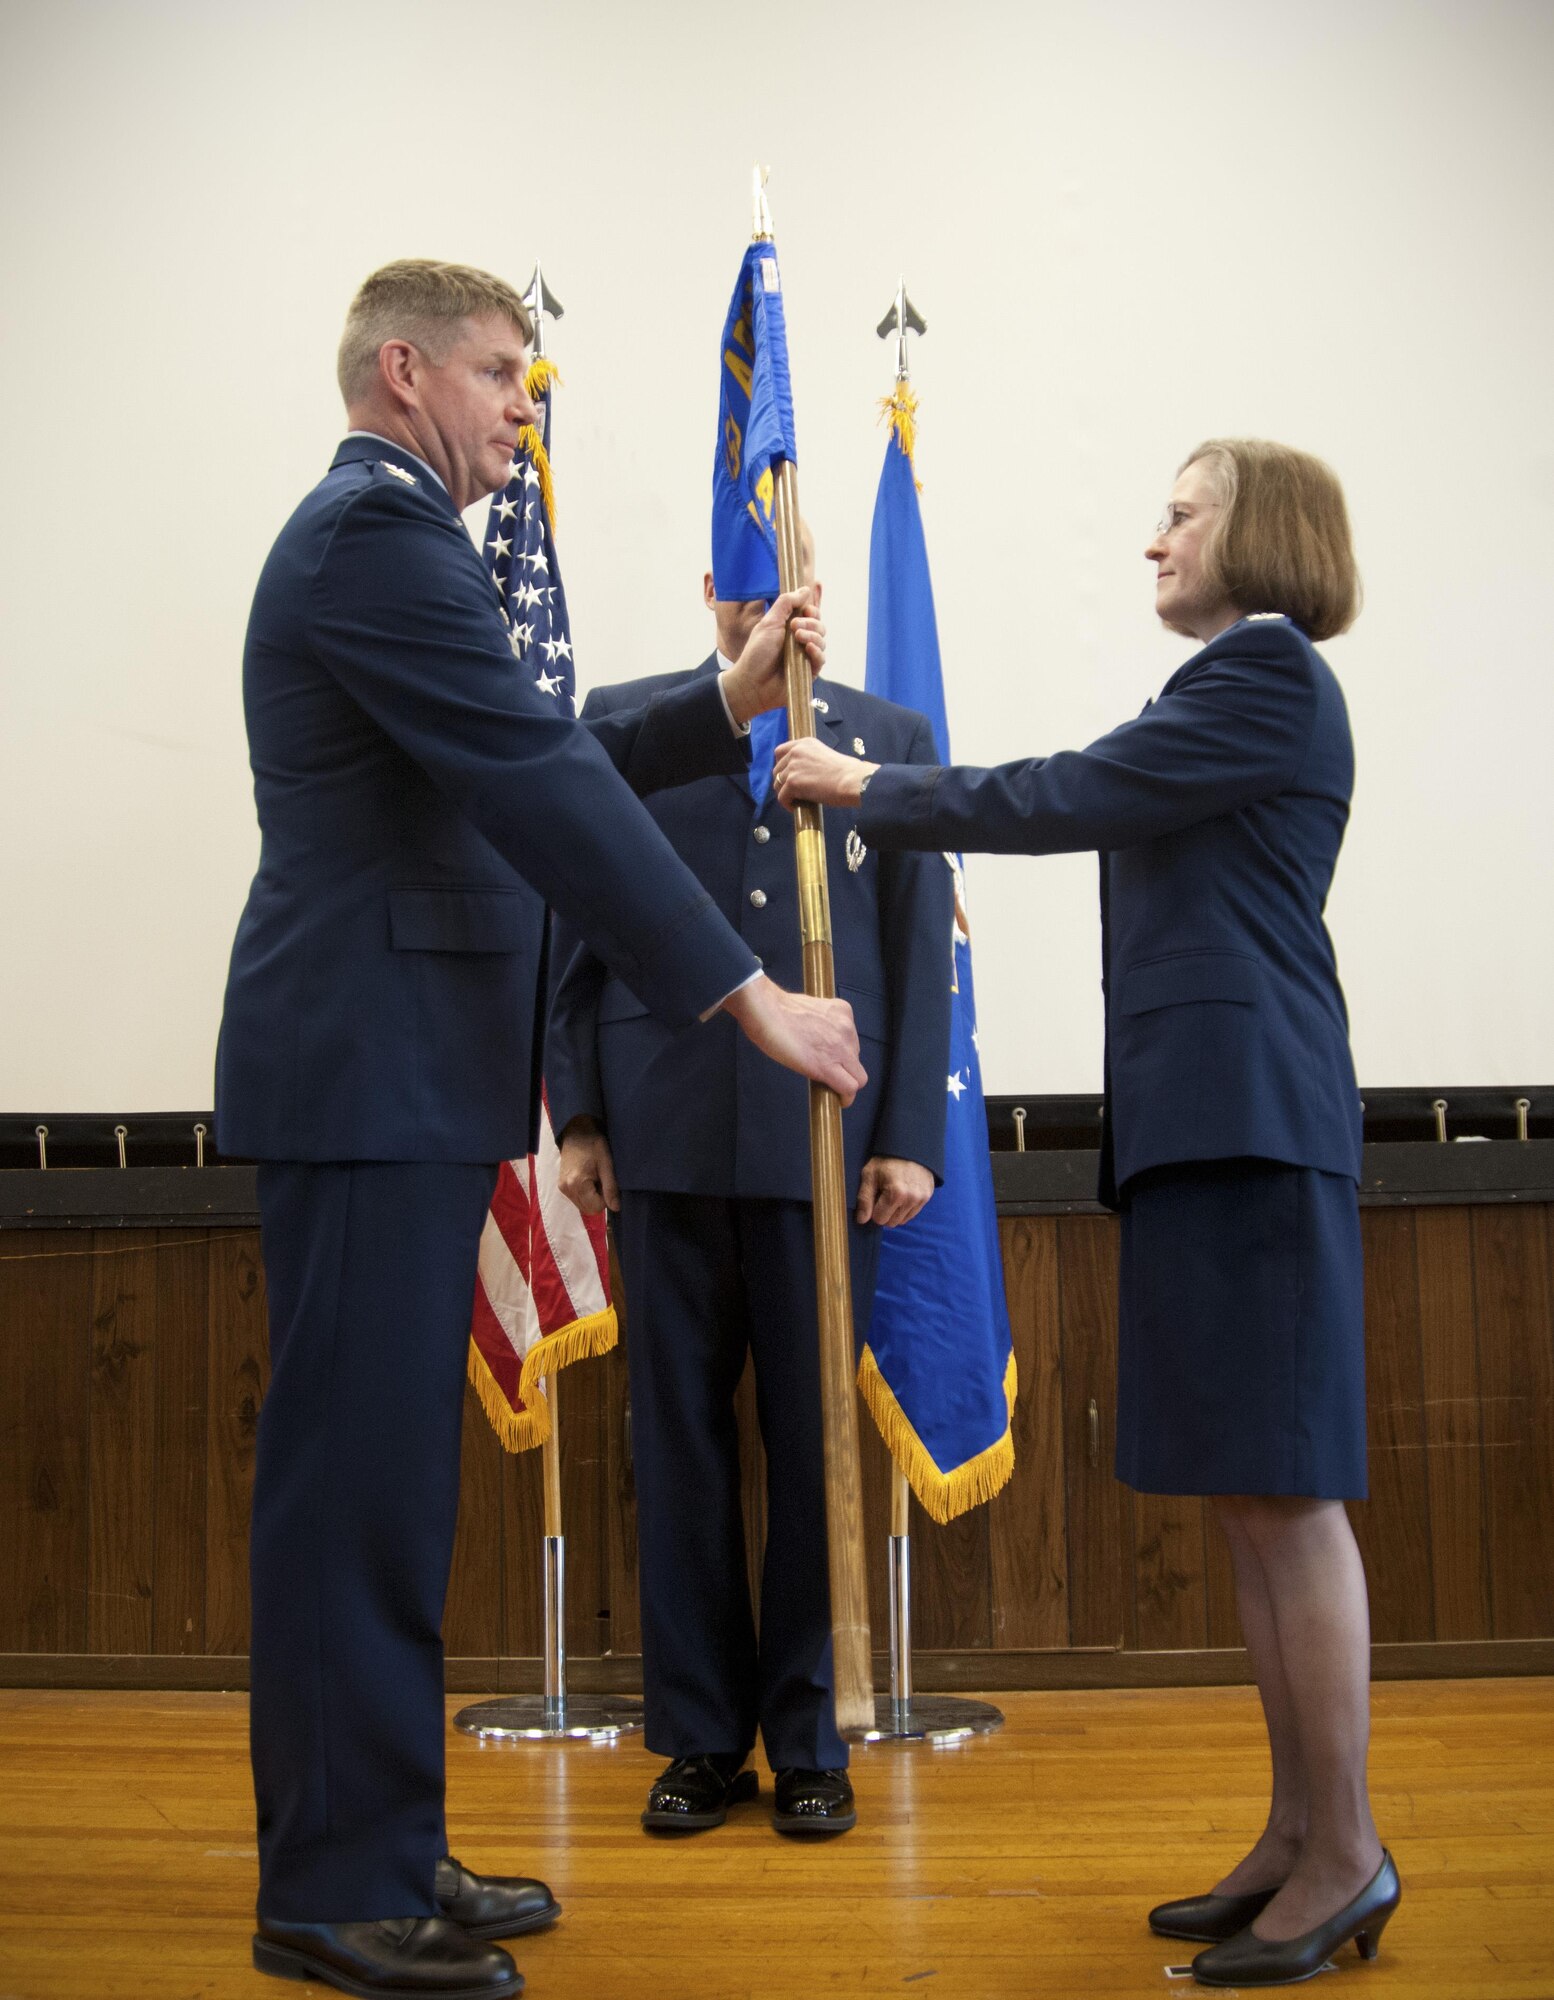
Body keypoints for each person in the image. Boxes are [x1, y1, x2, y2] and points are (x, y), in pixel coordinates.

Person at [216, 258, 866, 2000]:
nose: (525, 404)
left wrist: (719, 705)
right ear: (406, 372)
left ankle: (388, 1844)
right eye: (505, 375)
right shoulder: (377, 539)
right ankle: (330, 1892)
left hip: (399, 1074)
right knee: (351, 1493)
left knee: (385, 1491)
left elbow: (545, 735)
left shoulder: (396, 545)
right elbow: (542, 780)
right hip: (367, 1072)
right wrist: (745, 996)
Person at [775, 439, 1401, 1988]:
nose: (1154, 543)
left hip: (1252, 1127)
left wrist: (873, 786)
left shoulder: (1263, 678)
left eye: (1179, 515)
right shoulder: (1223, 687)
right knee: (1253, 1500)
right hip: (1209, 1129)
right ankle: (1292, 1833)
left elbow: (1072, 794)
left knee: (1288, 1495)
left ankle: (1345, 1854)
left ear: (1260, 534)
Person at [547, 532, 952, 1838]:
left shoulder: (882, 732)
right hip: (659, 1135)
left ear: (813, 594)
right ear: (709, 596)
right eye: (737, 580)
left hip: (823, 1143)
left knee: (816, 1446)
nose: (763, 601)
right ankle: (700, 1739)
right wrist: (578, 1112)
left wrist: (907, 1134)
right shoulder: (622, 727)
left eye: (782, 580)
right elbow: (578, 923)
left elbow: (913, 941)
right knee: (675, 1444)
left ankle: (808, 1735)